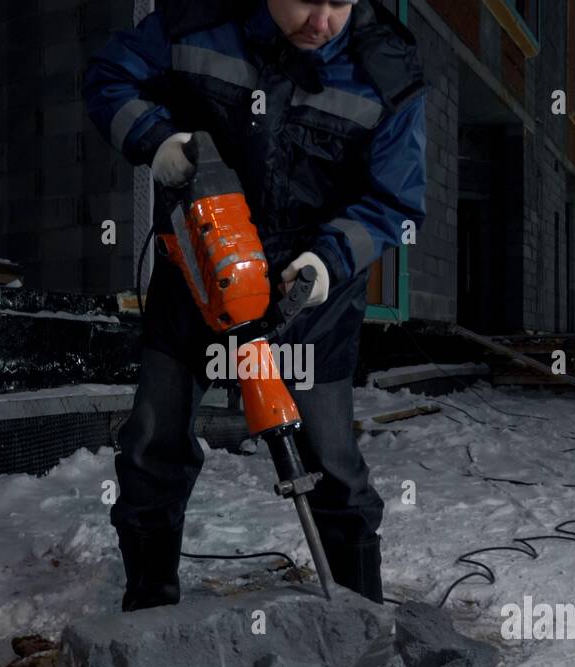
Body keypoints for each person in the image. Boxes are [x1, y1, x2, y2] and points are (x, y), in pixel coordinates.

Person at [83, 0, 427, 610]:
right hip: (197, 267)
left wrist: (330, 260)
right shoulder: (196, 22)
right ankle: (151, 607)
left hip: (310, 292)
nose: (322, 21)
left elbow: (395, 203)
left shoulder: (387, 70)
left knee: (331, 463)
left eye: (340, 3)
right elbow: (109, 79)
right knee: (152, 445)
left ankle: (356, 616)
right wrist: (155, 140)